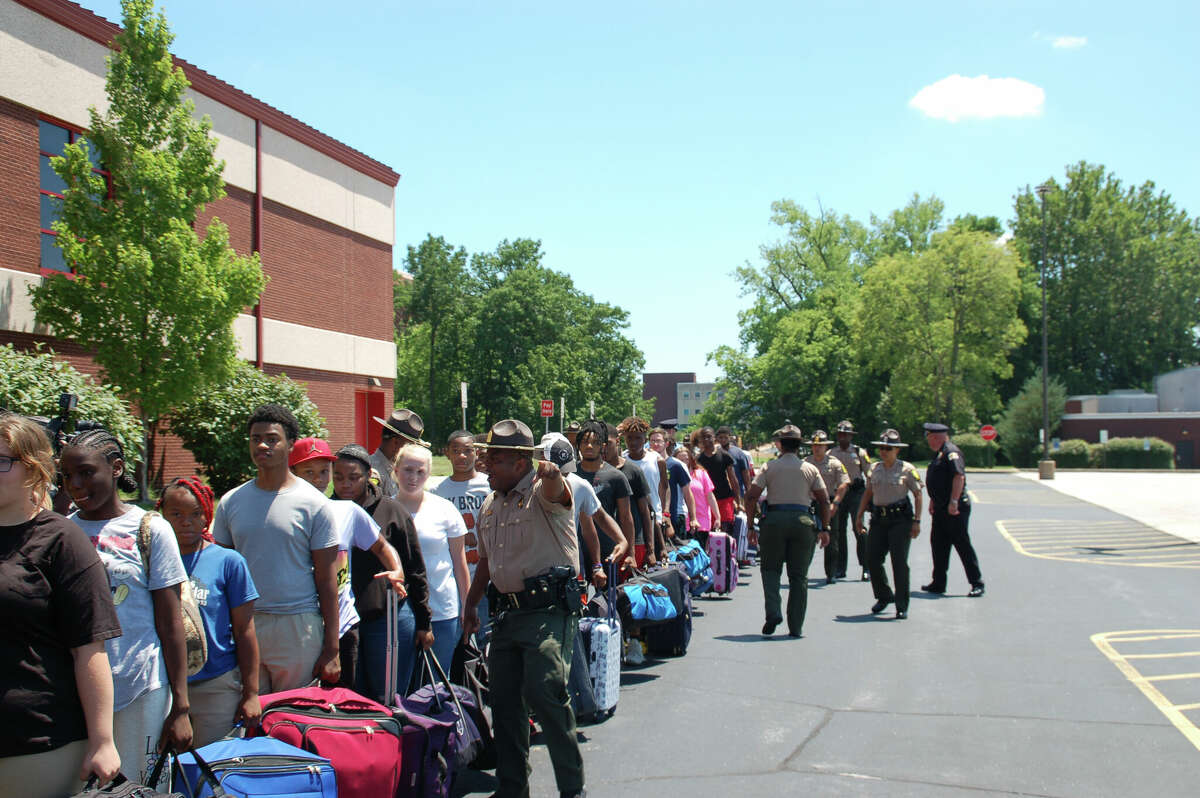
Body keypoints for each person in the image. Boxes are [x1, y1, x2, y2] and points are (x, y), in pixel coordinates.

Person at [462, 419, 585, 798]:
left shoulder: (542, 492)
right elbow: (484, 562)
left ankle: (572, 789)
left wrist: (549, 474)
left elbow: (557, 492)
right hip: (507, 615)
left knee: (545, 692)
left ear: (519, 463)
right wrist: (471, 606)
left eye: (493, 459)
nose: (484, 465)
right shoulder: (488, 505)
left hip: (546, 613)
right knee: (505, 703)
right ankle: (512, 788)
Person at [0, 413, 121, 796]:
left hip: (39, 743)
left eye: (2, 462)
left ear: (33, 469)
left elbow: (90, 647)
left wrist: (103, 740)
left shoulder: (62, 540)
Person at [61, 429, 192, 784]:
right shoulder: (61, 531)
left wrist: (179, 705)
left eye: (86, 473)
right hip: (77, 689)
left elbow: (170, 622)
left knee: (138, 786)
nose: (75, 484)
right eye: (67, 476)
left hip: (141, 686)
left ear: (116, 468)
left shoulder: (150, 528)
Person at [210, 404, 341, 692]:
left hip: (297, 626)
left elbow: (327, 580)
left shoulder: (313, 504)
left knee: (291, 720)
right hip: (244, 624)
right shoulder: (232, 502)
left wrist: (332, 648)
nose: (262, 445)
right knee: (247, 718)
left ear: (290, 444)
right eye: (255, 438)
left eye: (272, 438)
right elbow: (219, 570)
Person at [288, 438, 407, 688]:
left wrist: (396, 569)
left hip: (342, 627)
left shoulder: (346, 511)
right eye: (308, 472)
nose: (318, 479)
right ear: (292, 473)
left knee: (343, 704)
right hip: (300, 627)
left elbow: (382, 546)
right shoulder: (282, 517)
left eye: (323, 472)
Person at [157, 477, 261, 747]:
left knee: (213, 767)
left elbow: (245, 630)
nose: (186, 521)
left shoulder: (228, 562)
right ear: (161, 516)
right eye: (176, 514)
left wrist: (251, 692)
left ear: (207, 515)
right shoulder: (151, 561)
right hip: (162, 686)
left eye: (195, 514)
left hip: (216, 684)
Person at [333, 444, 432, 703]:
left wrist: (424, 621)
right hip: (344, 621)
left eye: (354, 478)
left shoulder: (391, 510)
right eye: (338, 477)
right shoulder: (326, 511)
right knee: (351, 694)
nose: (345, 485)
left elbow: (414, 568)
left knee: (387, 696)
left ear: (368, 476)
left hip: (387, 617)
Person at [743, 424, 830, 638]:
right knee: (799, 576)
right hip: (802, 522)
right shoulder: (810, 469)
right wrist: (824, 527)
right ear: (800, 445)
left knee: (771, 570)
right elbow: (824, 500)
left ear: (780, 444)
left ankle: (773, 612)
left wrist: (752, 524)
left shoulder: (770, 467)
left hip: (774, 521)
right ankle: (796, 626)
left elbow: (752, 495)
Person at [393, 443, 471, 672]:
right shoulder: (384, 509)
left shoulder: (444, 510)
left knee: (436, 682)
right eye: (408, 469)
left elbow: (459, 563)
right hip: (399, 611)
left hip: (441, 609)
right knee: (400, 683)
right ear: (396, 470)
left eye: (420, 471)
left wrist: (467, 607)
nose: (413, 477)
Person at [540, 432, 629, 590]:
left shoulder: (579, 485)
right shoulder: (528, 485)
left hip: (567, 566)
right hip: (534, 566)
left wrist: (621, 542)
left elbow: (594, 521)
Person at [855, 429, 923, 620]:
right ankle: (884, 595)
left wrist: (917, 521)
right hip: (878, 519)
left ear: (897, 450)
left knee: (899, 562)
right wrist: (859, 516)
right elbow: (868, 493)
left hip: (900, 520)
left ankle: (901, 605)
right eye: (882, 448)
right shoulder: (874, 469)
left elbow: (918, 495)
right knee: (872, 558)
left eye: (888, 448)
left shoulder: (907, 470)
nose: (884, 451)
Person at [431, 430, 492, 640]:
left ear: (477, 453)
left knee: (484, 641)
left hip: (485, 577)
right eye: (456, 451)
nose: (462, 456)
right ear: (446, 454)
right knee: (453, 640)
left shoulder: (488, 486)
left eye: (467, 451)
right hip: (452, 578)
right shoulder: (438, 491)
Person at [921, 423, 985, 598]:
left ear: (936, 437)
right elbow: (939, 481)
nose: (928, 441)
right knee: (938, 545)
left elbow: (958, 476)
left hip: (954, 508)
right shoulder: (940, 453)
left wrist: (954, 501)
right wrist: (934, 500)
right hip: (941, 508)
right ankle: (938, 582)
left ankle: (976, 582)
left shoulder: (951, 452)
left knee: (962, 544)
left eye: (929, 437)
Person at [574, 420, 636, 571]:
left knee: (609, 594)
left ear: (602, 446)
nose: (589, 446)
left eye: (595, 443)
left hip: (609, 550)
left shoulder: (616, 477)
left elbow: (626, 517)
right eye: (585, 442)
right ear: (578, 445)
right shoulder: (571, 474)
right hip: (576, 549)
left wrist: (631, 553)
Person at [605, 425, 656, 567]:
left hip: (634, 542)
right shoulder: (596, 471)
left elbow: (645, 512)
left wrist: (650, 549)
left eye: (608, 443)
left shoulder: (633, 471)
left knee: (629, 587)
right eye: (600, 444)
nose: (604, 448)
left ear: (617, 441)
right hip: (606, 543)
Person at [618, 416, 669, 559]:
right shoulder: (621, 461)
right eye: (629, 438)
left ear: (645, 440)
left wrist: (665, 512)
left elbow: (664, 487)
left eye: (638, 438)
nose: (633, 442)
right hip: (630, 518)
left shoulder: (657, 460)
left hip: (654, 521)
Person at [804, 431, 850, 585]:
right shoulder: (805, 463)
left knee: (831, 537)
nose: (817, 448)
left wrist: (835, 503)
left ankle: (831, 572)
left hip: (829, 503)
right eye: (814, 445)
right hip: (810, 503)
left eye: (820, 445)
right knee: (807, 538)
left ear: (826, 446)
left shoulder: (834, 463)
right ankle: (802, 571)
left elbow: (844, 483)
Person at [830, 420, 872, 581]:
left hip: (856, 493)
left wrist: (870, 498)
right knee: (839, 531)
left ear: (851, 436)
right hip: (840, 493)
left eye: (846, 434)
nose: (843, 437)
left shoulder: (859, 452)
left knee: (859, 528)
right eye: (840, 434)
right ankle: (841, 567)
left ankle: (866, 567)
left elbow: (869, 475)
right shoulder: (832, 453)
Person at [370, 409, 429, 499]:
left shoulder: (403, 468)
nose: (413, 450)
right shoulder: (371, 470)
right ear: (395, 442)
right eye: (410, 445)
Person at [696, 426, 740, 534]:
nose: (706, 439)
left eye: (709, 437)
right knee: (709, 531)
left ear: (714, 438)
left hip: (725, 498)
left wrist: (738, 500)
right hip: (707, 500)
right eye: (704, 437)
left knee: (726, 529)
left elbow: (733, 479)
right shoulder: (698, 459)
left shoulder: (724, 456)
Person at [677, 444, 719, 541]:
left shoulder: (701, 473)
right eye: (680, 460)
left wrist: (717, 517)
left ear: (691, 459)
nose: (684, 462)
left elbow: (710, 496)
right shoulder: (673, 474)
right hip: (682, 521)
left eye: (686, 459)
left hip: (701, 521)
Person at [716, 425, 755, 495]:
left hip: (738, 493)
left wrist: (749, 493)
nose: (723, 440)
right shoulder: (715, 453)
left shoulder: (739, 453)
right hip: (721, 495)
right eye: (720, 437)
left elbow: (746, 475)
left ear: (730, 438)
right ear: (717, 439)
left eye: (725, 437)